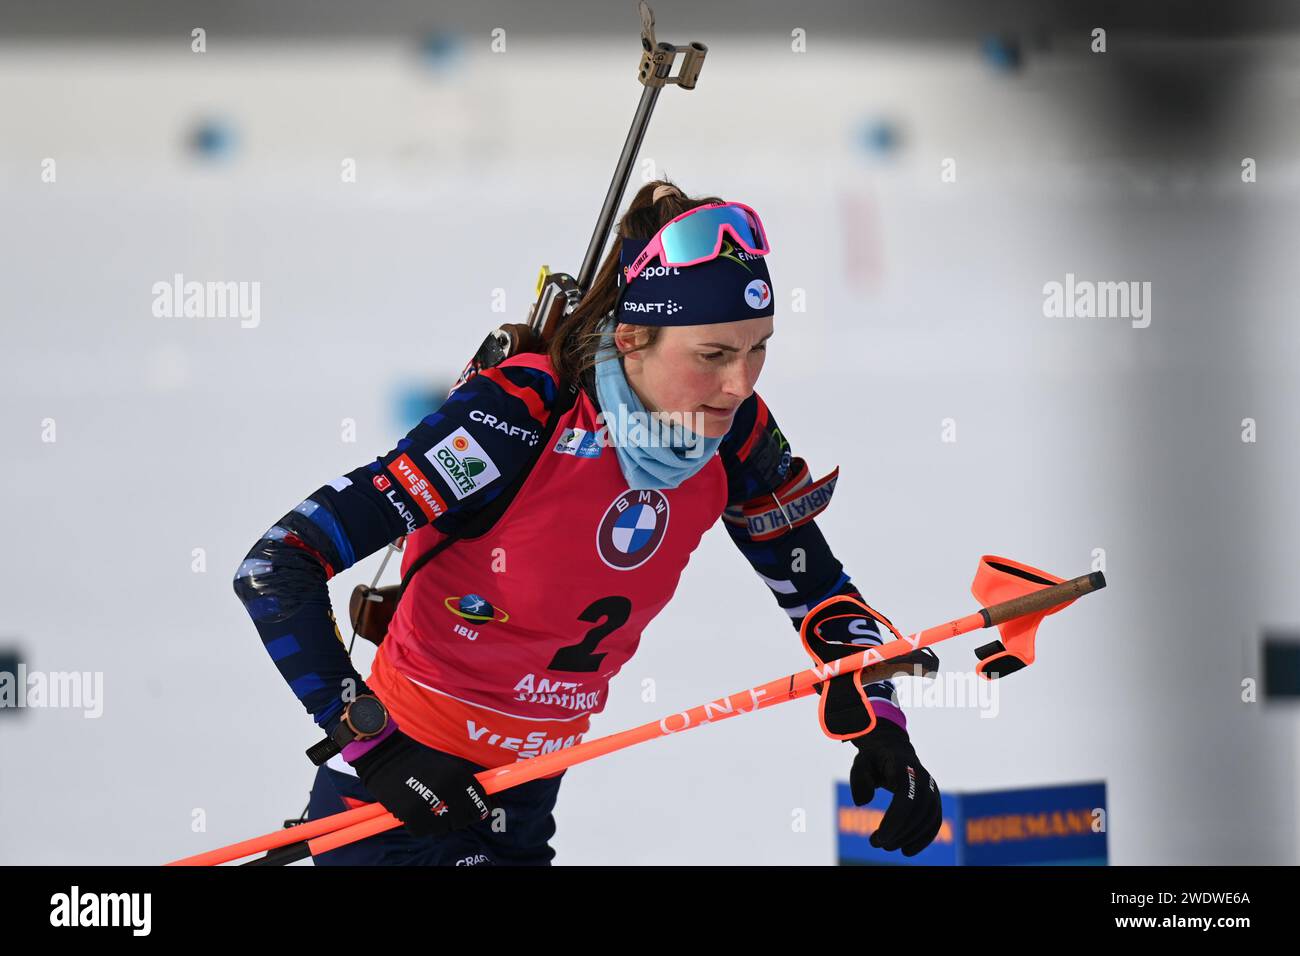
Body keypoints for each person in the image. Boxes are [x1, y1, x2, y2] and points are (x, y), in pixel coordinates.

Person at [232, 180, 943, 865]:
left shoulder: (735, 436)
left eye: (760, 347)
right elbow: (277, 566)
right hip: (396, 809)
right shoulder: (519, 417)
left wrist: (883, 726)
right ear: (632, 337)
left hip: (523, 801)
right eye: (714, 356)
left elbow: (817, 590)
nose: (741, 383)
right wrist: (377, 748)